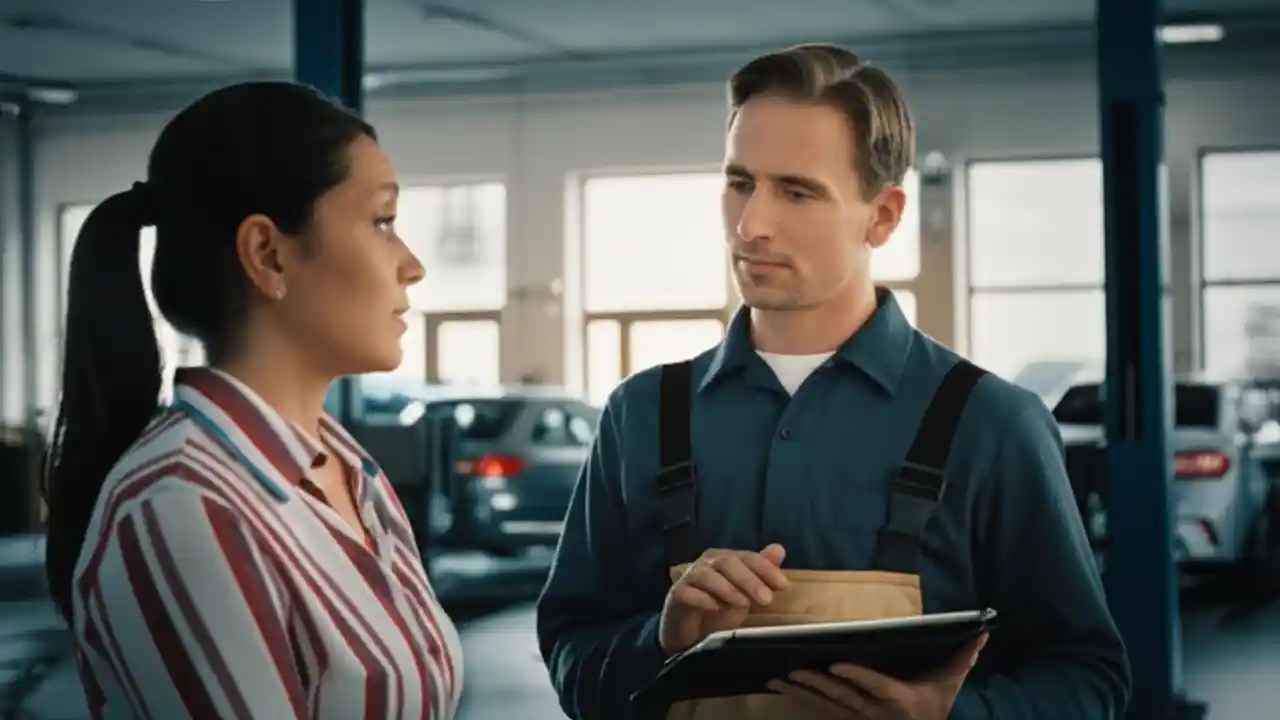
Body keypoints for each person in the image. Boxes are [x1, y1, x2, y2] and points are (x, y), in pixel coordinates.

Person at [537, 44, 1130, 720]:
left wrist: (952, 718)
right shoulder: (640, 415)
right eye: (739, 182)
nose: (751, 225)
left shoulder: (991, 423)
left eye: (796, 191)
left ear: (883, 215)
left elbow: (1089, 677)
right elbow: (572, 657)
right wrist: (664, 640)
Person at [42, 82, 463, 720]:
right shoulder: (185, 507)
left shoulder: (348, 470)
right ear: (268, 254)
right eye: (382, 221)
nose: (411, 265)